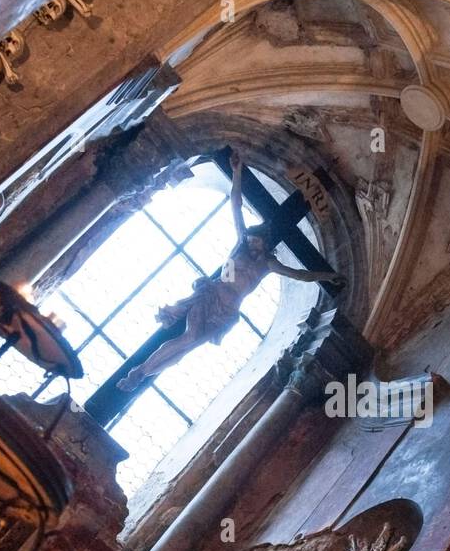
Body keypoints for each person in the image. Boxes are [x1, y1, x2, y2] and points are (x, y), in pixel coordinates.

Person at [118, 151, 342, 391]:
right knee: (189, 338)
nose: (253, 243)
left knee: (189, 346)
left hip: (225, 313)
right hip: (211, 296)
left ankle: (146, 371)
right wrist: (237, 173)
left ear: (265, 243)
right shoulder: (239, 247)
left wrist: (329, 276)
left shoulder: (268, 265)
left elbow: (299, 274)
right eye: (252, 239)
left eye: (257, 241)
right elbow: (236, 204)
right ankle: (141, 371)